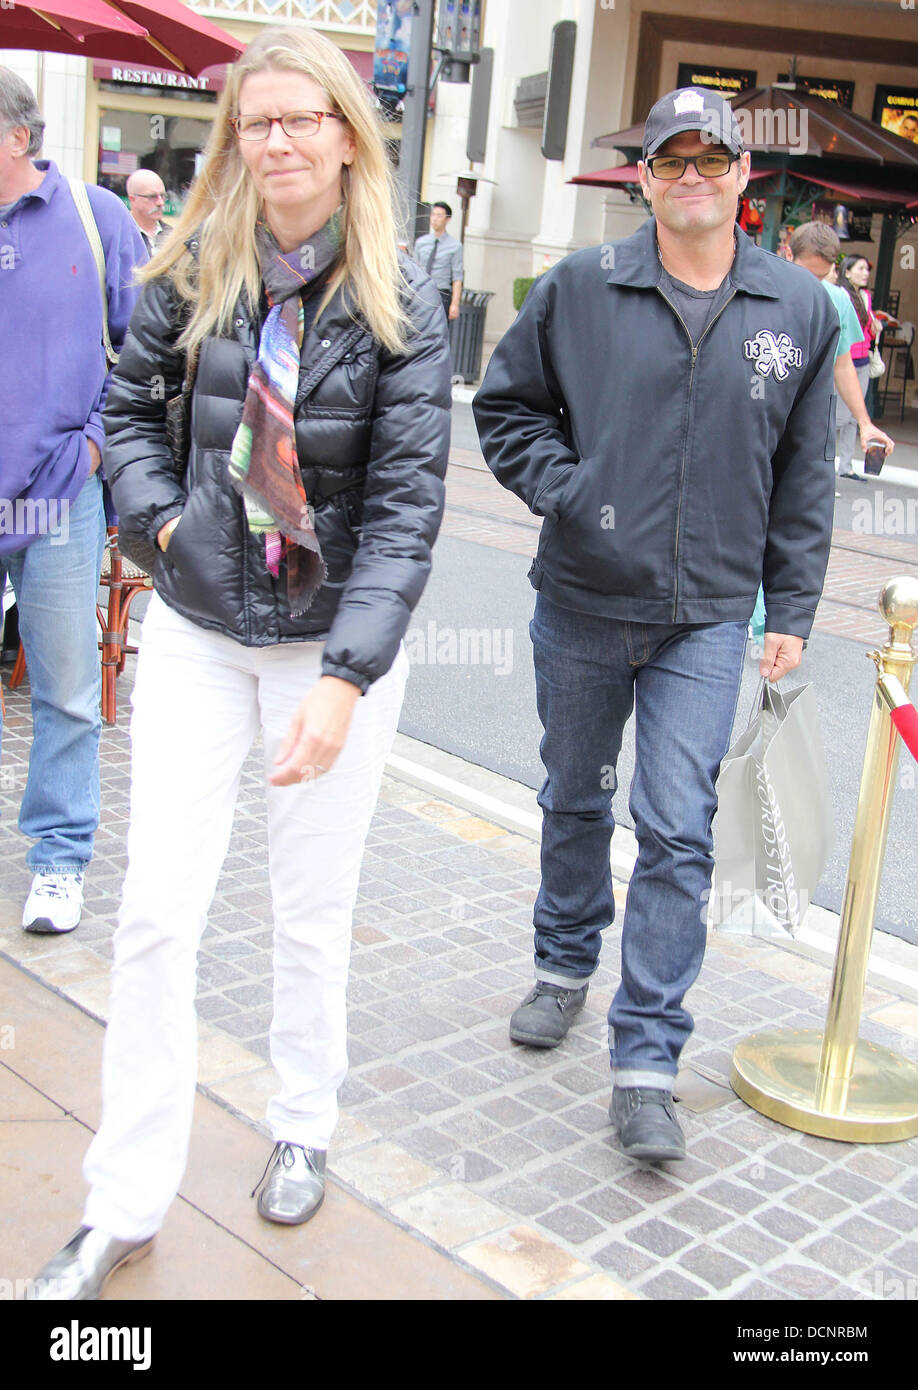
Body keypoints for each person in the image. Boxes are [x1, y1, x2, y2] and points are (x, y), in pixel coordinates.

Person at [29, 24, 450, 1300]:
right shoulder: (195, 265)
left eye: (300, 119)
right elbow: (119, 406)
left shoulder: (403, 296)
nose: (277, 141)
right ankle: (123, 1197)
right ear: (236, 139)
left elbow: (410, 508)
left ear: (344, 133)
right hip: (203, 634)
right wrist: (162, 531)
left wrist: (345, 677)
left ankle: (303, 1120)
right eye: (255, 122)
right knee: (158, 910)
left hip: (327, 647)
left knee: (308, 912)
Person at [473, 87, 840, 1165]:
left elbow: (804, 478)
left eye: (710, 159)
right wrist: (573, 492)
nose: (691, 175)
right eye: (670, 159)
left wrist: (796, 611)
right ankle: (562, 960)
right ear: (645, 178)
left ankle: (647, 1058)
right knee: (575, 797)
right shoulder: (582, 288)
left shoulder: (798, 311)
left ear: (743, 177)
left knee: (678, 826)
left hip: (708, 615)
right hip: (583, 597)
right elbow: (505, 408)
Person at [0, 67, 145, 936]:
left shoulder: (96, 218)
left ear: (17, 135)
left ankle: (58, 859)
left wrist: (92, 444)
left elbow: (142, 353)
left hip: (55, 500)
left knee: (63, 688)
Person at [787, 225, 893, 477]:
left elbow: (842, 364)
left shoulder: (838, 299)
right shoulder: (765, 288)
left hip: (811, 417)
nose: (815, 285)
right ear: (789, 256)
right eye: (808, 275)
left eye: (822, 276)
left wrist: (865, 423)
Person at [836, 253, 881, 476]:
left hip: (863, 359)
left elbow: (866, 326)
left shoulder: (866, 297)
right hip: (845, 361)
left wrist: (875, 326)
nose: (865, 273)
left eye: (867, 269)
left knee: (854, 418)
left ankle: (845, 466)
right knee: (840, 416)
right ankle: (819, 463)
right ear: (847, 271)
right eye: (860, 268)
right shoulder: (841, 294)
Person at [413, 200, 463, 321]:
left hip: (441, 294)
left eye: (439, 215)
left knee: (438, 333)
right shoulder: (421, 243)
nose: (434, 219)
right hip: (421, 293)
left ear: (448, 219)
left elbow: (457, 277)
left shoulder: (455, 246)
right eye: (433, 214)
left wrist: (455, 304)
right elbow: (414, 271)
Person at [125, 168, 169, 255]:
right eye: (152, 197)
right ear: (133, 199)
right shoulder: (121, 235)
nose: (160, 202)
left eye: (163, 195)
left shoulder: (173, 236)